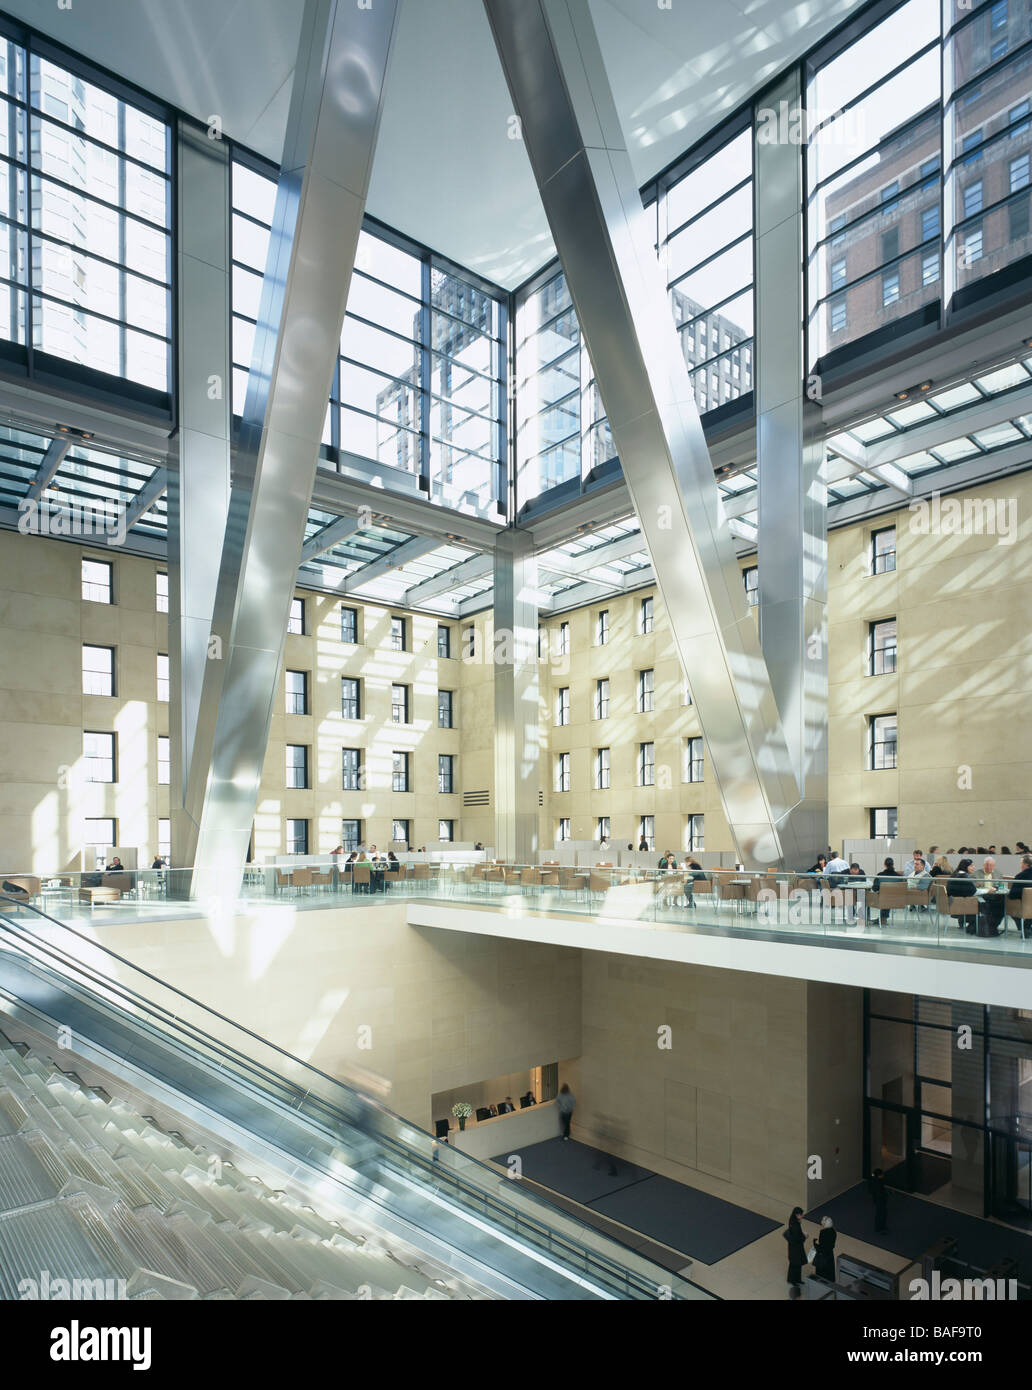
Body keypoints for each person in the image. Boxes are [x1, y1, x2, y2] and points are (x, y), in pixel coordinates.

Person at [1007, 853, 1032, 939]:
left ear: (1026, 865)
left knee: (1005, 904)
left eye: (1021, 863)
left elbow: (1012, 895)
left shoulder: (1021, 876)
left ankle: (1024, 928)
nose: (1020, 866)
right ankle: (1027, 927)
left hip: (1024, 907)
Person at [871, 857, 902, 925]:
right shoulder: (899, 876)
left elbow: (875, 888)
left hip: (881, 899)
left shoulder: (880, 875)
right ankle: (883, 918)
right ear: (893, 864)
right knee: (888, 896)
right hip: (896, 899)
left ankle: (881, 918)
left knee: (884, 896)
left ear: (884, 865)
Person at [783, 1207, 807, 1293]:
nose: (802, 1216)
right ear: (797, 1215)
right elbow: (798, 1238)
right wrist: (804, 1237)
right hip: (796, 1248)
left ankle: (793, 1279)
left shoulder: (792, 1221)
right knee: (796, 1263)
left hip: (793, 1247)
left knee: (794, 1263)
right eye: (801, 1214)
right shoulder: (796, 1225)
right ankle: (794, 1280)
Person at [813, 1215, 836, 1283]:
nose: (821, 1222)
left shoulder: (823, 1232)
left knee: (821, 1270)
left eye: (823, 1221)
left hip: (822, 1255)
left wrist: (815, 1243)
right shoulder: (833, 1231)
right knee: (829, 1270)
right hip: (830, 1254)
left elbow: (821, 1246)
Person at [868, 1167, 888, 1233]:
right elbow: (879, 1193)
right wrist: (885, 1195)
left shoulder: (873, 1180)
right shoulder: (878, 1183)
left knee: (879, 1214)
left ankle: (879, 1227)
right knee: (881, 1214)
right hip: (880, 1200)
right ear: (879, 1175)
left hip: (877, 1200)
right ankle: (880, 1228)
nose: (883, 1175)